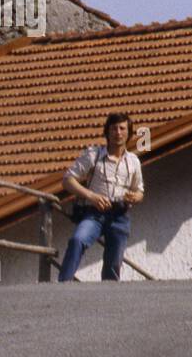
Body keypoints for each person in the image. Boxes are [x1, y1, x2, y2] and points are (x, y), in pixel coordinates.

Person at [58, 112, 144, 281]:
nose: (118, 133)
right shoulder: (94, 155)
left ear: (128, 133)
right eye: (113, 129)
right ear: (107, 132)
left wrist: (135, 197)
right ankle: (63, 284)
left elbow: (139, 190)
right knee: (78, 240)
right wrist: (91, 196)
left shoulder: (133, 161)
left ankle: (108, 301)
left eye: (122, 128)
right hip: (94, 213)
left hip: (120, 216)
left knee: (113, 264)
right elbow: (67, 180)